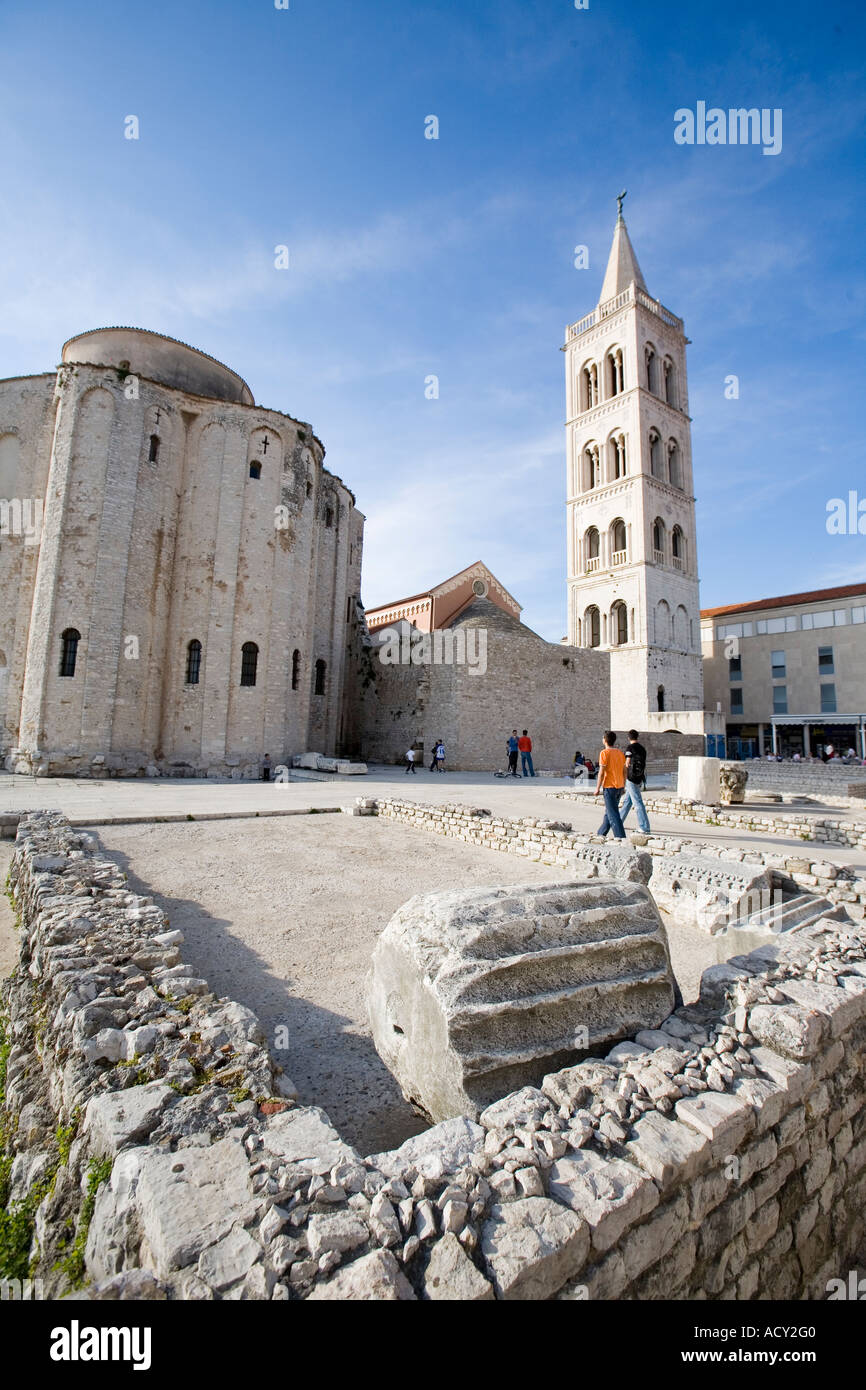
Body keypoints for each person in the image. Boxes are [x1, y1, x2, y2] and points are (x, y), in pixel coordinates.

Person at [594, 730, 627, 840]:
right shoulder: (620, 753)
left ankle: (621, 837)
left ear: (605, 740)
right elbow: (625, 771)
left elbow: (601, 772)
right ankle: (600, 834)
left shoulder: (604, 753)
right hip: (619, 786)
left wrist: (597, 788)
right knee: (609, 811)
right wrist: (624, 785)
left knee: (613, 814)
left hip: (609, 786)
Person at [619, 729, 650, 833]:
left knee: (637, 802)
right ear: (637, 737)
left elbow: (627, 763)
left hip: (631, 778)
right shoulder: (642, 748)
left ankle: (644, 827)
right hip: (640, 777)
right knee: (628, 801)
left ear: (628, 738)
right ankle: (618, 822)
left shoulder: (630, 748)